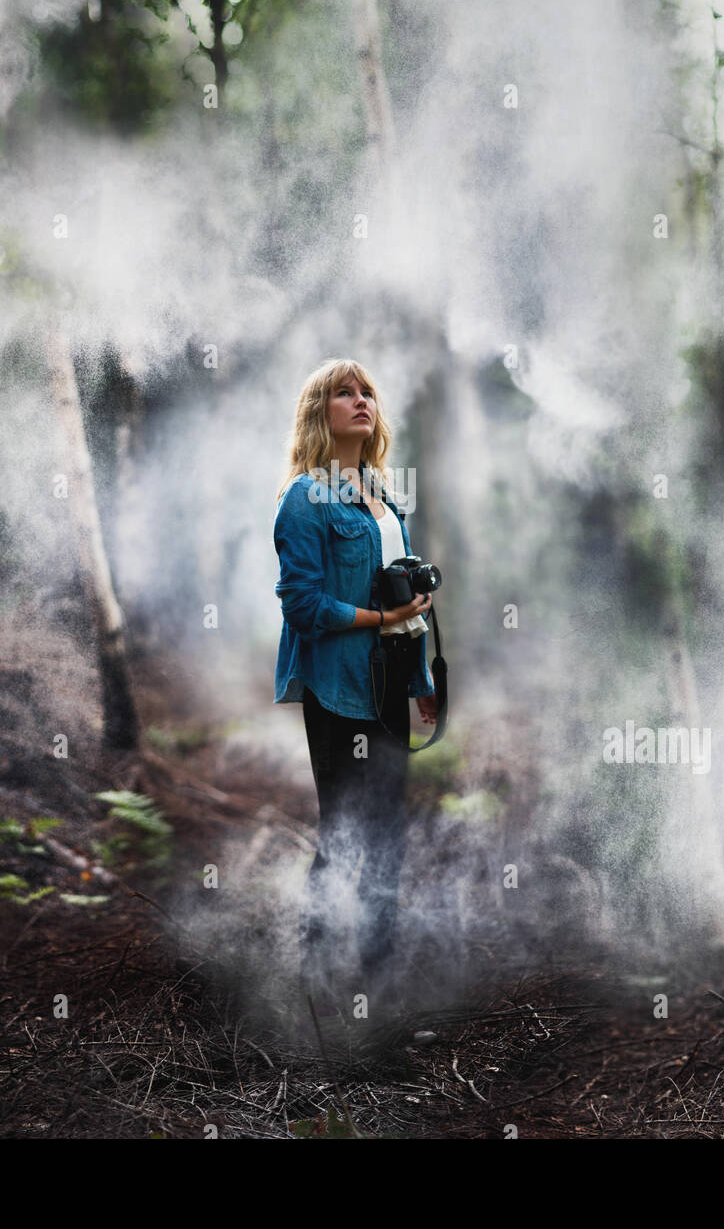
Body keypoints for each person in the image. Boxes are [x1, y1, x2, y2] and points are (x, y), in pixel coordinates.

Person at [273, 357, 438, 1010]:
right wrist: (381, 617)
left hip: (390, 683)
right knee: (345, 829)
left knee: (388, 832)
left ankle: (378, 982)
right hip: (337, 686)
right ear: (322, 413)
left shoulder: (386, 496)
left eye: (367, 390)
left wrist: (421, 674)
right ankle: (311, 980)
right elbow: (303, 607)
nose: (361, 400)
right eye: (344, 393)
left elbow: (407, 590)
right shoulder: (303, 498)